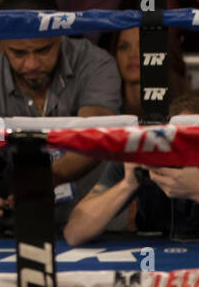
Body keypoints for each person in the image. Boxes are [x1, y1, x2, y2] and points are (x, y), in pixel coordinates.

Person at [0, 0, 120, 229]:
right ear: (0, 44)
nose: (32, 64)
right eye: (19, 53)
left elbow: (94, 136)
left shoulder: (95, 64)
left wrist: (35, 182)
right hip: (21, 232)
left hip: (99, 226)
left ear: (60, 34)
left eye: (43, 50)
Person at [64, 90, 199, 244]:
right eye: (182, 139)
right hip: (154, 259)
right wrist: (126, 185)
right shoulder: (146, 154)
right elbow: (74, 233)